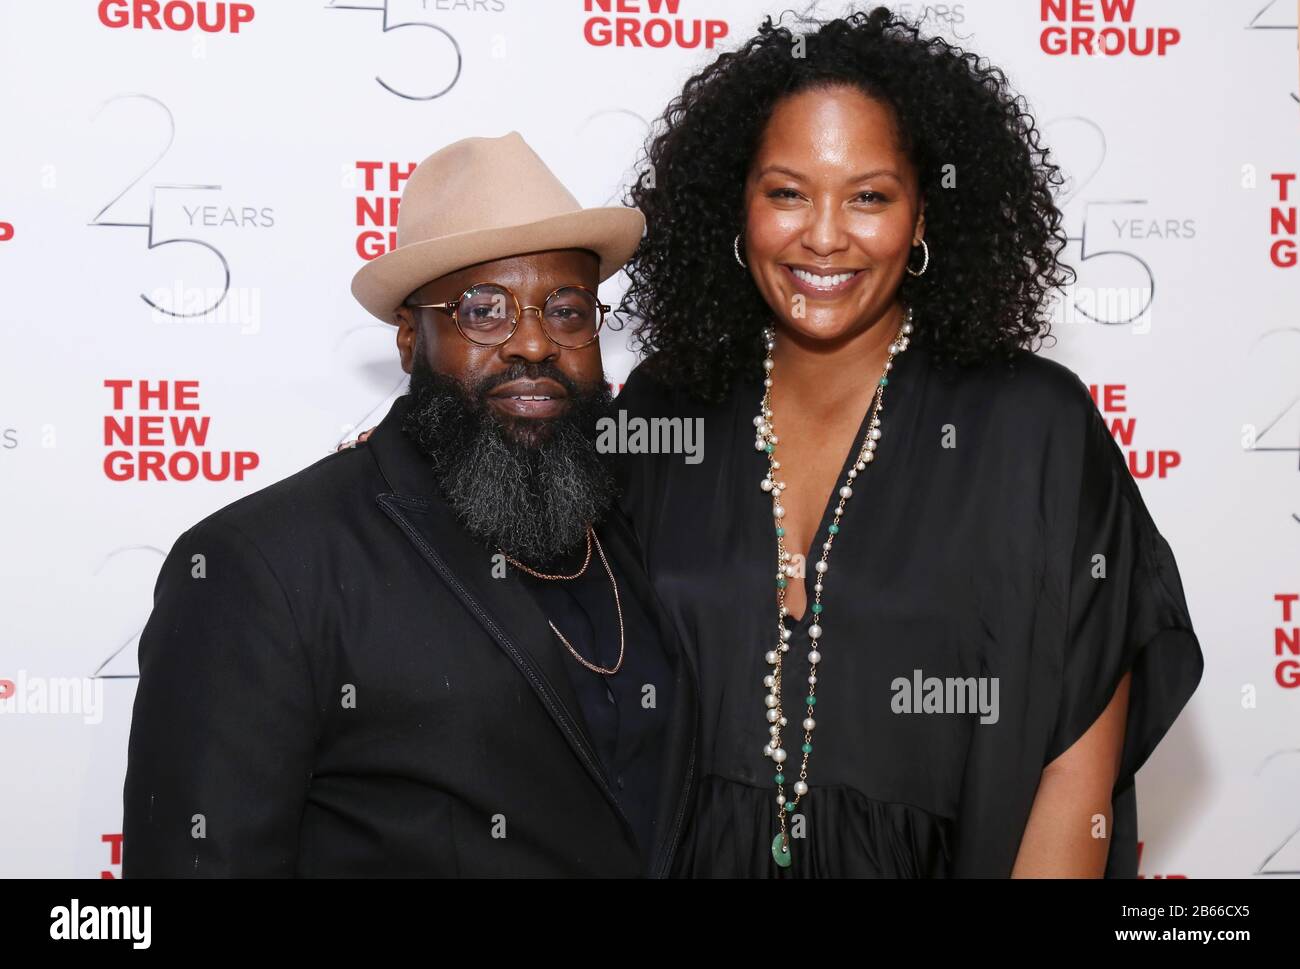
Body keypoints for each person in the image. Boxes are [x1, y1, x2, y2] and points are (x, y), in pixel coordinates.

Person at [612, 7, 1203, 877]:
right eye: (786, 191)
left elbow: (1071, 777)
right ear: (735, 203)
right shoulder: (667, 407)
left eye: (869, 196)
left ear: (924, 214)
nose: (823, 234)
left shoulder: (1032, 431)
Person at [122, 132, 697, 877]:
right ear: (407, 336)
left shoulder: (634, 530)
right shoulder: (263, 567)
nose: (533, 342)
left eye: (567, 309)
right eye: (483, 310)